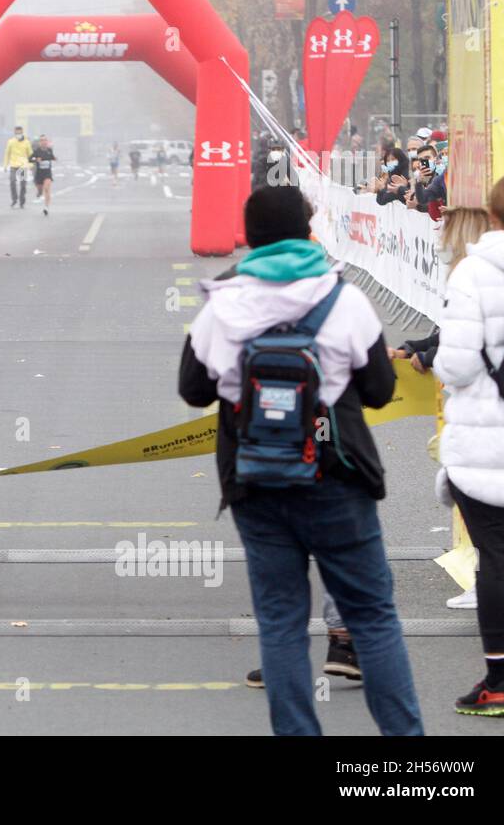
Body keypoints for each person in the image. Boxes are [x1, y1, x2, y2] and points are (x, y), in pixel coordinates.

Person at [179, 184, 423, 736]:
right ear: (308, 230)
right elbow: (382, 390)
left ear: (252, 236)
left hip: (256, 480)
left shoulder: (224, 303)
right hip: (338, 477)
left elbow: (193, 390)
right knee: (372, 616)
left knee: (281, 622)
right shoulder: (343, 299)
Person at [434, 175, 504, 716]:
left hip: (486, 441)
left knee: (495, 560)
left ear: (491, 216)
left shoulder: (474, 271)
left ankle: (497, 684)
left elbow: (460, 363)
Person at [3, 126, 32, 209]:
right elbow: (7, 153)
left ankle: (22, 201)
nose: (18, 134)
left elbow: (30, 154)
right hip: (13, 165)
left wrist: (31, 165)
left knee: (23, 184)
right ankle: (14, 199)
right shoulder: (11, 142)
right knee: (12, 182)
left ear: (22, 133)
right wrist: (5, 165)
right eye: (16, 133)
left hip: (23, 165)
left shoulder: (26, 142)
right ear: (14, 133)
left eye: (19, 133)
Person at [31, 135, 55, 216]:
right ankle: (39, 192)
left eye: (45, 140)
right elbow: (30, 159)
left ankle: (46, 207)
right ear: (39, 142)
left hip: (47, 173)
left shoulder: (49, 150)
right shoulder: (37, 151)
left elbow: (51, 156)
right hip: (39, 174)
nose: (43, 142)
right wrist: (36, 159)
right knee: (40, 189)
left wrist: (54, 158)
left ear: (47, 142)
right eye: (42, 140)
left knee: (47, 189)